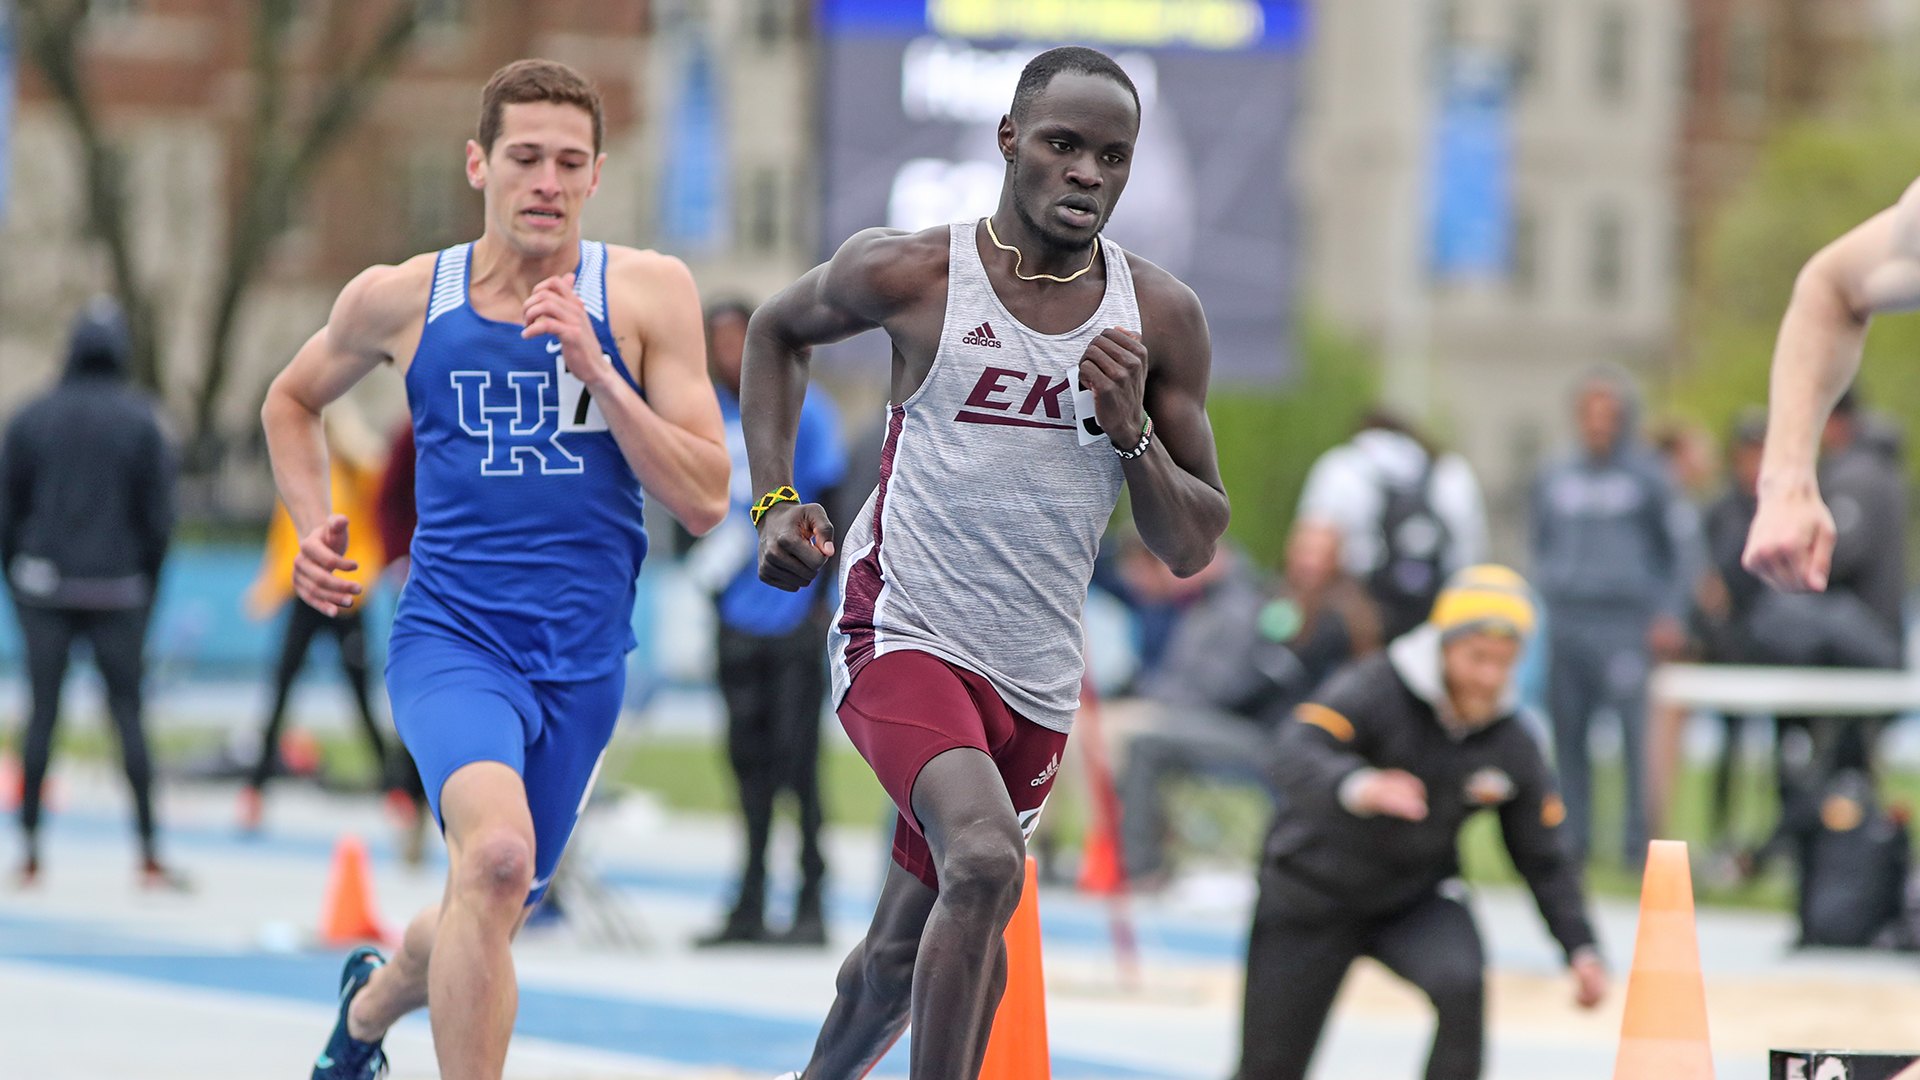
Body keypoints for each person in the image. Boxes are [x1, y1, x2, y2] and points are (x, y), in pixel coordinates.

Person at [740, 46, 1230, 1080]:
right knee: (986, 859)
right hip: (902, 629)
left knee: (895, 957)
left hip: (1036, 680)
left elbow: (1191, 545)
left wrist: (1132, 432)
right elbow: (776, 333)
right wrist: (776, 500)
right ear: (1010, 142)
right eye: (1062, 145)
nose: (1086, 174)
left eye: (1112, 156)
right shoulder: (914, 273)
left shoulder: (1159, 319)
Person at [262, 60, 728, 1080]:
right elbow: (289, 402)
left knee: (490, 901)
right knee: (499, 859)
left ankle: (373, 1002)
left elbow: (703, 493)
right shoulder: (400, 299)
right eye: (524, 158)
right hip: (452, 641)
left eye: (569, 162)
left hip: (582, 657)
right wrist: (315, 529)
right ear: (479, 164)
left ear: (597, 174)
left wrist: (601, 371)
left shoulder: (646, 293)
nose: (545, 183)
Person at [1241, 566, 1607, 1080]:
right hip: (1311, 892)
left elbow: (1543, 855)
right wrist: (1360, 786)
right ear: (1442, 644)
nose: (1488, 676)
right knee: (1268, 1067)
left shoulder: (1513, 739)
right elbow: (1294, 748)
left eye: (1504, 664)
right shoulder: (1374, 686)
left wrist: (1581, 947)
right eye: (1477, 657)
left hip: (1412, 897)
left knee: (1462, 984)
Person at [1, 298, 182, 889]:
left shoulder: (30, 418)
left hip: (44, 587)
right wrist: (146, 588)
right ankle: (149, 851)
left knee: (42, 715)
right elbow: (159, 519)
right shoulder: (142, 420)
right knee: (128, 716)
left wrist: (19, 580)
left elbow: (6, 511)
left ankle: (28, 851)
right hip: (118, 591)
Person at [688, 298, 846, 947]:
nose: (729, 355)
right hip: (734, 611)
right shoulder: (705, 413)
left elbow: (834, 502)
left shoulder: (808, 413)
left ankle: (811, 898)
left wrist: (820, 605)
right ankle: (749, 897)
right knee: (745, 764)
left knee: (799, 765)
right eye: (718, 341)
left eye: (739, 342)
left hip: (792, 614)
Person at [1116, 521, 1380, 884]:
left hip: (1281, 742)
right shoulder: (1279, 602)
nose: (1308, 562)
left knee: (1146, 744)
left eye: (1319, 553)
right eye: (1303, 550)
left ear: (1337, 559)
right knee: (1148, 734)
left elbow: (1280, 686)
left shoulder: (1340, 620)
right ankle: (1140, 860)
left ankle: (1142, 870)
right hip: (1250, 725)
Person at [1529, 367, 1699, 865]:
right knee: (1569, 734)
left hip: (1625, 622)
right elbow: (1540, 542)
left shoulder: (1649, 477)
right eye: (1590, 412)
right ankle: (1574, 839)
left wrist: (1668, 613)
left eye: (1609, 413)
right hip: (1568, 617)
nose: (1599, 423)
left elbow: (1679, 551)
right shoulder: (1555, 474)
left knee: (1633, 738)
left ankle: (1633, 845)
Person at [239, 410, 424, 837]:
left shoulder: (359, 474)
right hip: (306, 597)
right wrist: (269, 588)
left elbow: (380, 514)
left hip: (346, 598)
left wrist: (368, 576)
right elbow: (286, 536)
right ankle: (255, 788)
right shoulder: (303, 480)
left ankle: (393, 789)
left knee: (360, 697)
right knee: (281, 687)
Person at [1296, 411, 1488, 640]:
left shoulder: (1342, 466)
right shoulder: (1452, 471)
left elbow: (1312, 551)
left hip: (1361, 618)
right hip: (1434, 615)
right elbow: (1472, 556)